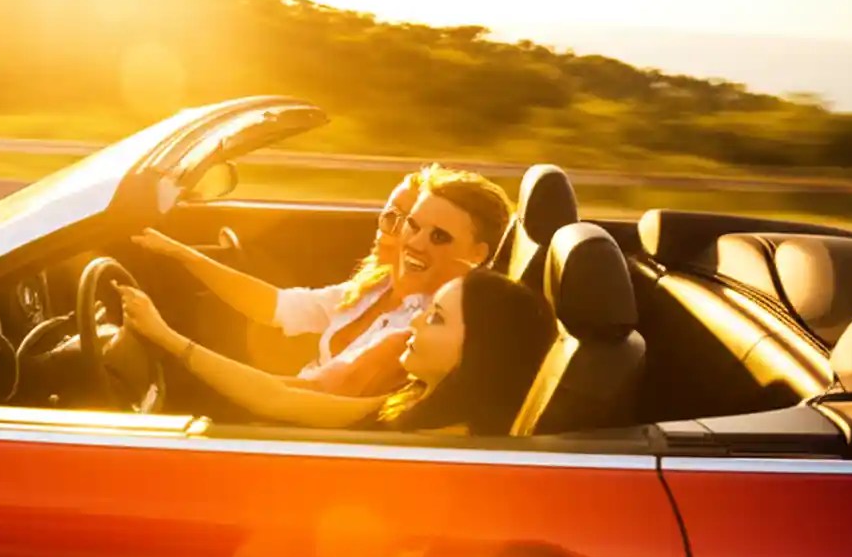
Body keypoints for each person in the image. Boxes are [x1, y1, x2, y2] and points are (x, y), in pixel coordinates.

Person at [133, 165, 513, 396]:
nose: (408, 239)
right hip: (285, 405)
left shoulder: (423, 332)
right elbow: (278, 306)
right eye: (405, 222)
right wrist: (180, 254)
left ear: (477, 253)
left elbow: (309, 396)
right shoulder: (379, 286)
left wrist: (173, 343)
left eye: (439, 236)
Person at [117, 266, 557, 434]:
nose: (418, 319)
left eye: (437, 317)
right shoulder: (417, 408)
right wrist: (166, 337)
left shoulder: (439, 444)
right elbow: (279, 399)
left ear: (477, 351)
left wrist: (166, 339)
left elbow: (278, 399)